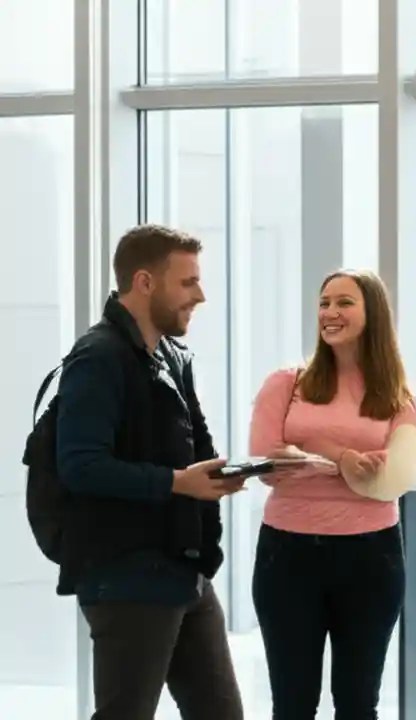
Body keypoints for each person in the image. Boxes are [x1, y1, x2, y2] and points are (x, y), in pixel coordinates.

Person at [55, 225, 244, 720]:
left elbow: (193, 449)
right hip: (127, 576)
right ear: (144, 282)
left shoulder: (172, 357)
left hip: (185, 570)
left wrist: (224, 475)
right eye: (188, 283)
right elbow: (81, 466)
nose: (200, 296)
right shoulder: (97, 359)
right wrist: (180, 483)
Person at [248, 269, 416, 719]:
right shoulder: (286, 383)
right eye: (324, 302)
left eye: (344, 302)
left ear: (373, 313)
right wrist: (342, 458)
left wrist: (305, 451)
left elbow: (391, 482)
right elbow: (266, 461)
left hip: (371, 557)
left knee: (358, 704)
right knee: (292, 704)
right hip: (287, 555)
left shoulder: (398, 397)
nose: (330, 312)